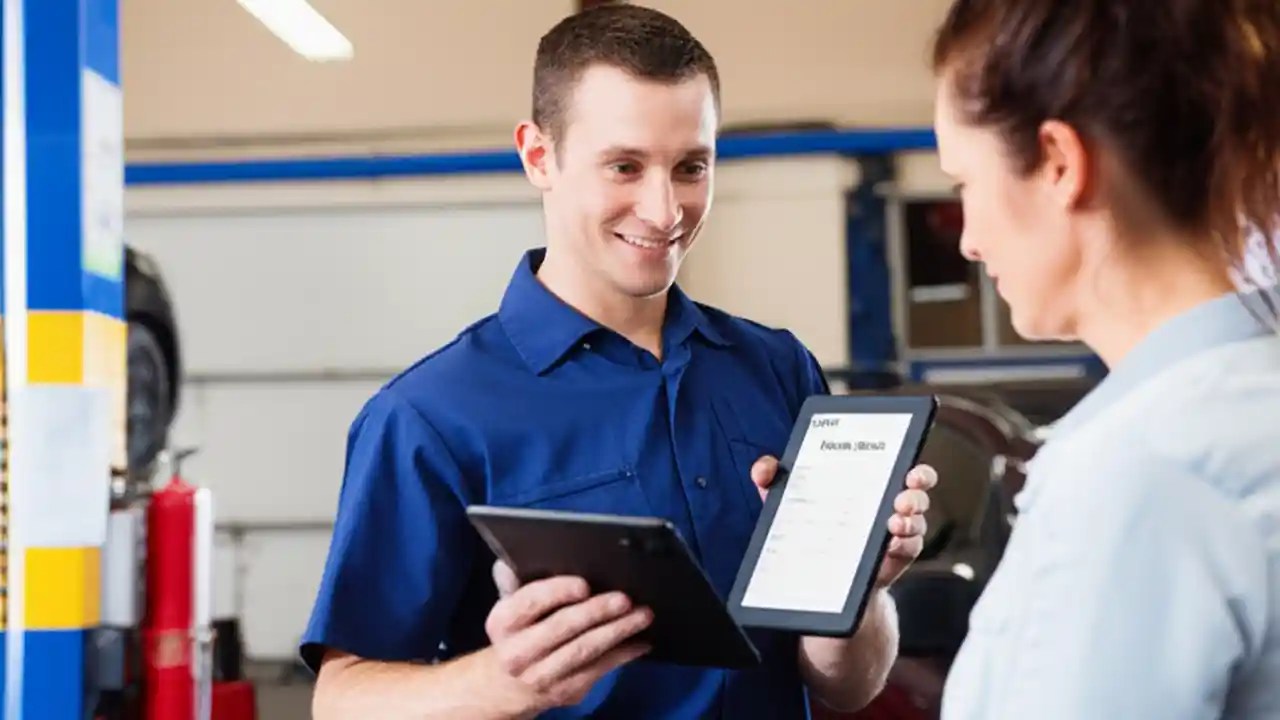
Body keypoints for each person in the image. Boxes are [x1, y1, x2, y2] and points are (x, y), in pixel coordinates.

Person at [301, 5, 939, 719]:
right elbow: (342, 699)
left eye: (691, 167)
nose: (665, 209)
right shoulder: (428, 416)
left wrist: (862, 587)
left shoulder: (777, 368)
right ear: (539, 155)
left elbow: (846, 685)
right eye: (625, 166)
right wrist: (511, 681)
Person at [928, 1, 1280, 718]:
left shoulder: (1141, 471)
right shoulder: (1246, 399)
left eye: (966, 183)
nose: (967, 239)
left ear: (1059, 162)